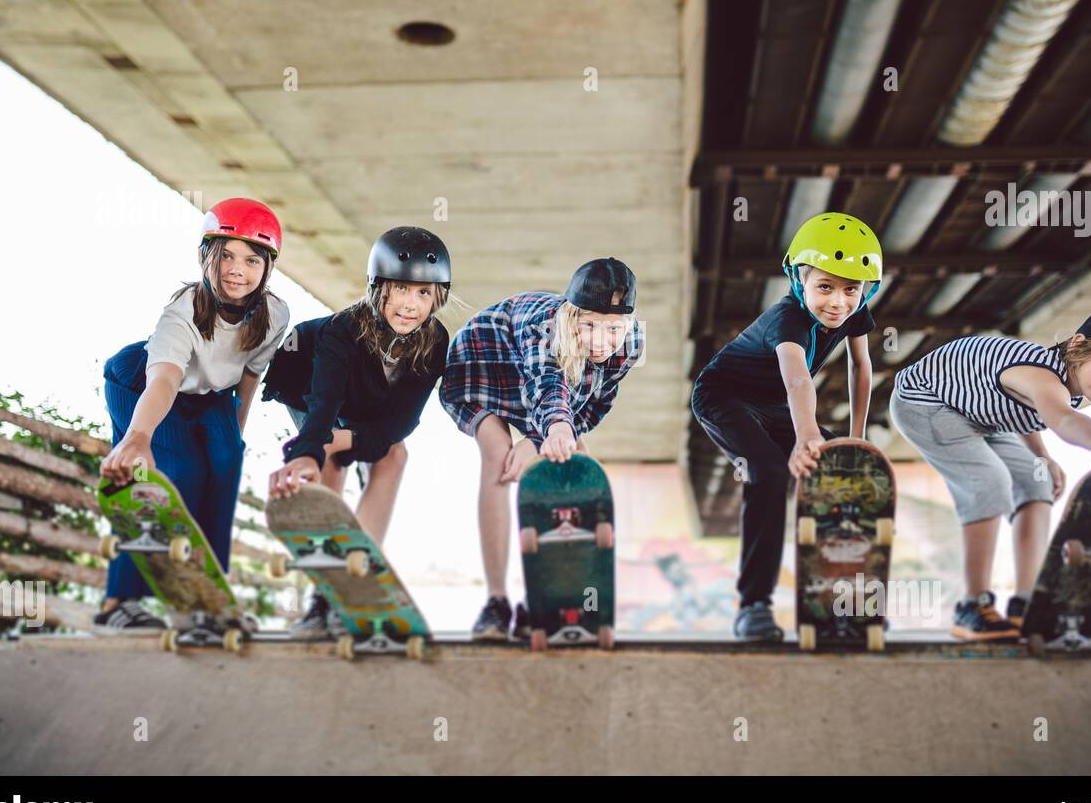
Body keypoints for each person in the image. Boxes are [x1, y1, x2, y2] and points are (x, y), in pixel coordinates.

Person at [889, 307, 1091, 640]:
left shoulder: (1057, 385)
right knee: (989, 482)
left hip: (980, 413)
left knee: (1038, 484)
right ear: (1078, 345)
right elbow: (1061, 418)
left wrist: (1042, 457)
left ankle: (1026, 604)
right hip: (924, 402)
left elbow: (1021, 410)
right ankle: (972, 606)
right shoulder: (1042, 376)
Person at [97, 198, 289, 629]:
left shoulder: (275, 314)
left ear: (268, 268)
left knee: (224, 467)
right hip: (142, 384)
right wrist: (138, 438)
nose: (237, 269)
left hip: (211, 395)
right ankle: (120, 602)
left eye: (251, 260)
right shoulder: (182, 313)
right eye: (226, 256)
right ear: (206, 256)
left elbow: (248, 380)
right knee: (173, 470)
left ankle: (206, 598)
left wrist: (232, 440)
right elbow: (162, 381)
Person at [692, 212, 883, 641]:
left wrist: (855, 436)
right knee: (769, 471)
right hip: (723, 397)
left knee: (840, 465)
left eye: (851, 290)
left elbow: (861, 367)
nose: (838, 302)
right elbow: (797, 376)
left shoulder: (855, 312)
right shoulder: (787, 320)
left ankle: (839, 593)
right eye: (825, 288)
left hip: (772, 405)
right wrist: (805, 433)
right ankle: (753, 606)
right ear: (800, 280)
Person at [439, 258, 644, 641]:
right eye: (590, 326)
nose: (601, 340)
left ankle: (562, 599)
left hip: (536, 389)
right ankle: (496, 603)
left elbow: (595, 404)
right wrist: (550, 429)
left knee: (577, 462)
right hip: (481, 365)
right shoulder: (545, 330)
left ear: (628, 325)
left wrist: (539, 440)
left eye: (613, 329)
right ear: (571, 317)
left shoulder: (629, 346)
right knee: (499, 456)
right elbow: (546, 383)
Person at [263, 227, 451, 637]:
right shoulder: (343, 330)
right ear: (378, 288)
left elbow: (402, 422)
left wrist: (349, 439)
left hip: (369, 403)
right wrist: (308, 453)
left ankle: (356, 571)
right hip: (306, 382)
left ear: (438, 297)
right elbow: (323, 407)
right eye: (401, 289)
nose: (411, 304)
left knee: (396, 454)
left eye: (423, 294)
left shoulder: (436, 342)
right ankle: (321, 597)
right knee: (331, 457)